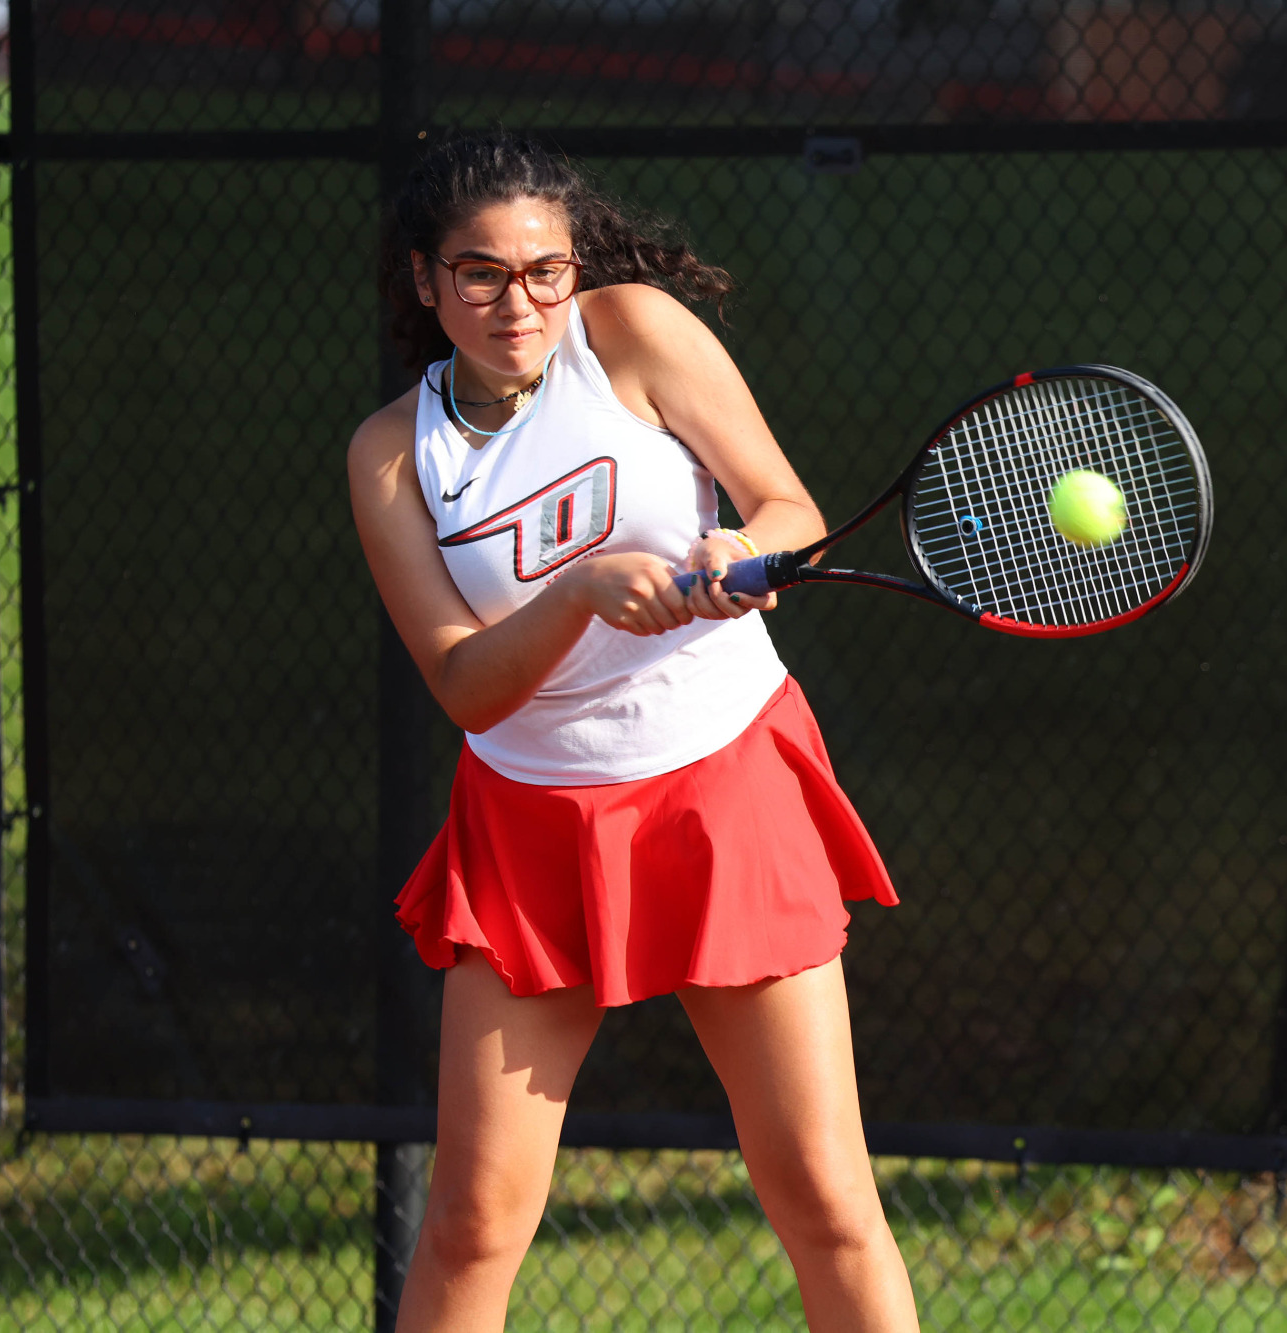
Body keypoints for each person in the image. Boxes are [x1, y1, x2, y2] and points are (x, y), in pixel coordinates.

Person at [347, 133, 920, 1333]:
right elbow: (464, 688)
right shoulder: (394, 455)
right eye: (482, 274)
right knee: (469, 1222)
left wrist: (739, 551)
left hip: (720, 786)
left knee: (823, 1197)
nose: (521, 303)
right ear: (424, 280)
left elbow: (788, 509)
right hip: (530, 823)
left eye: (545, 270)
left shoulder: (634, 336)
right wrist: (575, 594)